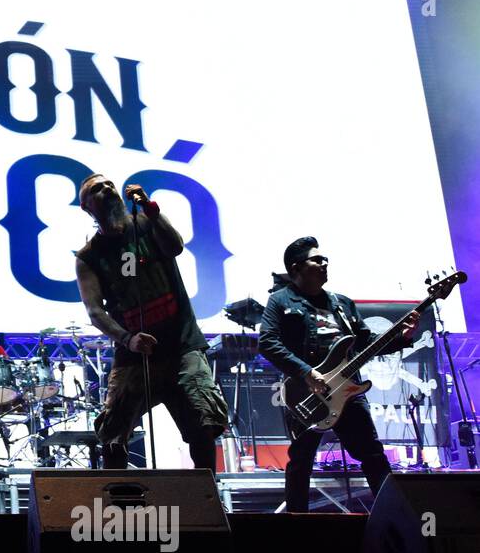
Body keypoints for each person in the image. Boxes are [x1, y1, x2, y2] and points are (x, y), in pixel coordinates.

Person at [74, 174, 228, 471]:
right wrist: (128, 339)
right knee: (114, 430)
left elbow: (176, 246)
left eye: (109, 185)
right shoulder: (89, 256)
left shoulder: (145, 223)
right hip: (136, 354)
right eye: (96, 189)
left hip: (182, 345)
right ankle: (118, 503)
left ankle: (205, 495)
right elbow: (95, 312)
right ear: (86, 207)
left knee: (203, 420)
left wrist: (152, 209)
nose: (107, 189)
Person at [258, 236, 419, 512]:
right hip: (307, 392)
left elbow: (366, 344)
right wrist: (307, 373)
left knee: (372, 453)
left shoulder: (342, 304)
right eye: (316, 259)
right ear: (296, 267)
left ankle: (393, 517)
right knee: (301, 461)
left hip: (348, 390)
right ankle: (296, 525)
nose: (324, 263)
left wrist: (401, 338)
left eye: (325, 259)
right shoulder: (280, 300)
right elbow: (268, 342)